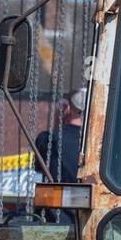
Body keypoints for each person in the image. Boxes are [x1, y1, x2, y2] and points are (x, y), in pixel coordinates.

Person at [35, 88, 85, 225]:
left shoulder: (48, 140)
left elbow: (40, 168)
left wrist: (58, 122)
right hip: (82, 219)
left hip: (51, 219)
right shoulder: (96, 144)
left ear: (68, 108)